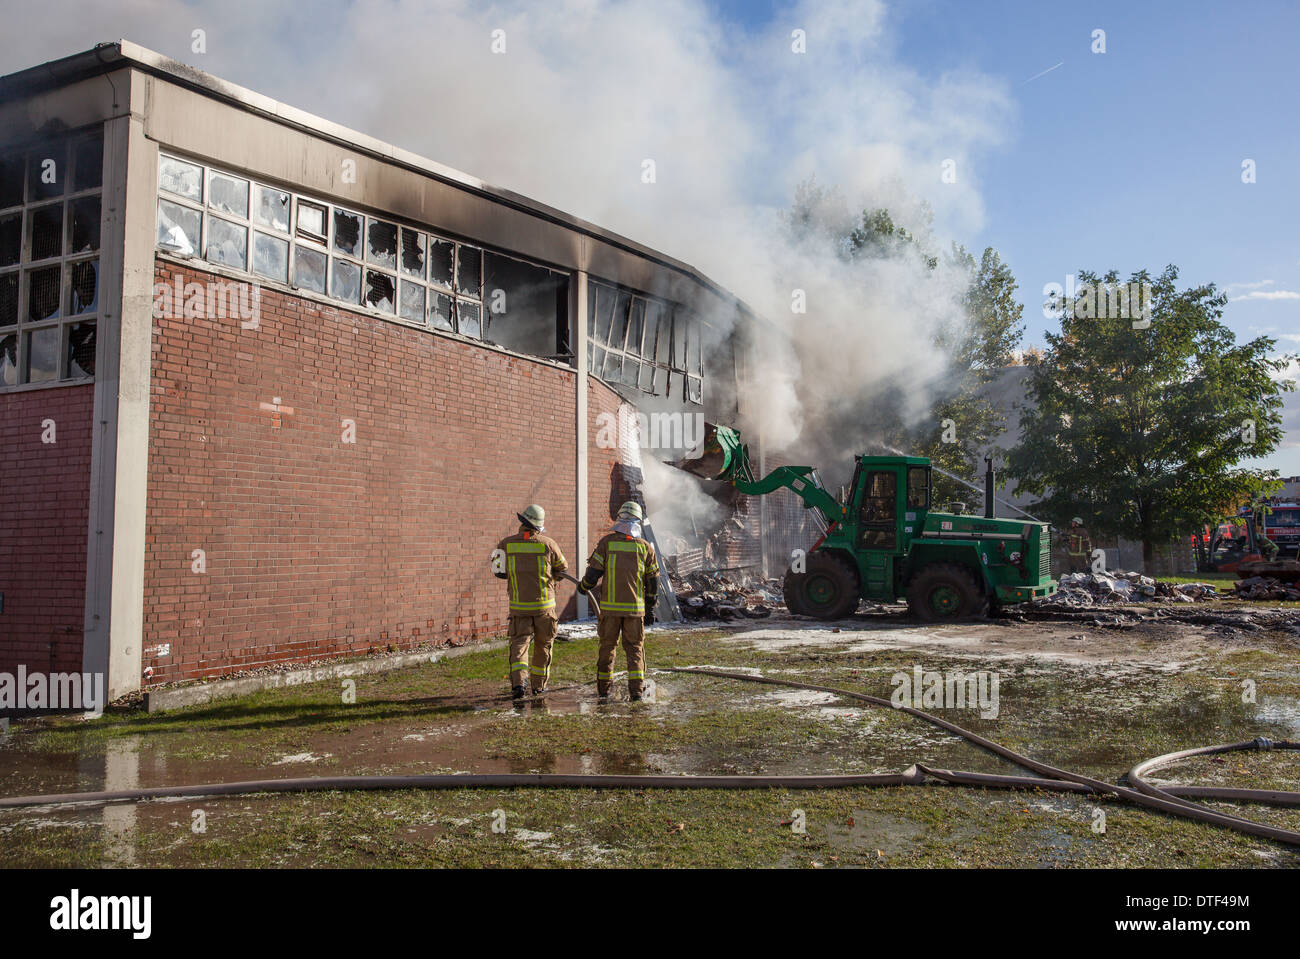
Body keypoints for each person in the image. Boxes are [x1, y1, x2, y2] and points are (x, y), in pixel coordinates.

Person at [576, 501, 659, 702]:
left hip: (610, 611)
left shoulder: (607, 544)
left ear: (619, 517)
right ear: (638, 521)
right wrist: (649, 609)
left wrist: (583, 587)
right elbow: (653, 583)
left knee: (607, 648)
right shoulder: (645, 548)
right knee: (635, 650)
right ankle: (637, 691)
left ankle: (604, 690)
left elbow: (593, 573)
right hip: (634, 611)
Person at [494, 504, 567, 700]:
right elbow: (563, 569)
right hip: (544, 607)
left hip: (519, 606)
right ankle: (538, 686)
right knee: (543, 645)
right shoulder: (548, 544)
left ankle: (518, 684)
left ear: (522, 522)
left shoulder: (505, 544)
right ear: (538, 526)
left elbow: (498, 570)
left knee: (519, 644)